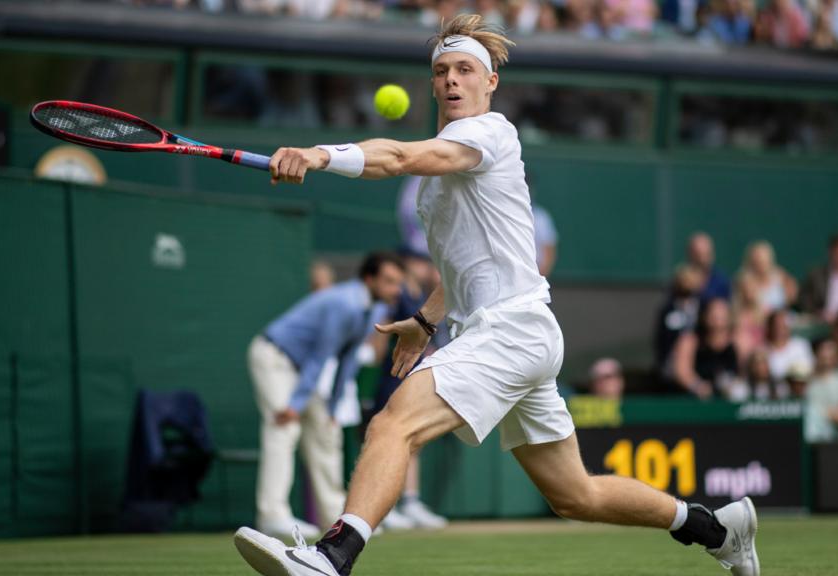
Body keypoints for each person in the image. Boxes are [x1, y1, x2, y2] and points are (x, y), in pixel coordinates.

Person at [233, 14, 759, 576]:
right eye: (442, 71)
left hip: (510, 329)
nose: (452, 80)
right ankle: (718, 530)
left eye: (465, 69)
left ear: (490, 82)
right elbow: (461, 267)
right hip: (521, 334)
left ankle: (330, 558)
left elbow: (399, 157)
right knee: (575, 494)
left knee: (392, 424)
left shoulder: (490, 133)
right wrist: (426, 322)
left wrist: (319, 154)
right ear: (433, 85)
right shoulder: (433, 189)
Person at [247, 252, 404, 541]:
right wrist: (295, 405)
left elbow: (348, 359)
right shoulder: (345, 304)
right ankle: (272, 516)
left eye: (398, 282)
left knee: (325, 432)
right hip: (274, 357)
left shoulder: (375, 309)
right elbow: (321, 355)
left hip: (300, 368)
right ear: (369, 279)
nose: (396, 289)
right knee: (284, 428)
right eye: (389, 281)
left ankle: (335, 518)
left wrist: (333, 406)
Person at [372, 248, 449, 531]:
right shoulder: (399, 295)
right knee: (388, 438)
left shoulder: (423, 297)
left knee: (412, 440)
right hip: (393, 376)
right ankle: (383, 505)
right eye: (418, 261)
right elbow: (379, 333)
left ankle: (409, 501)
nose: (424, 266)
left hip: (413, 377)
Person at [671, 298, 741, 400]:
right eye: (713, 315)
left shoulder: (737, 342)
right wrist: (697, 386)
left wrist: (735, 387)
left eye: (721, 316)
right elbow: (681, 372)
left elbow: (743, 373)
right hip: (693, 400)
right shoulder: (690, 341)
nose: (717, 321)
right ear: (704, 316)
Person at [655, 264, 705, 382]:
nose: (687, 285)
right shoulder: (668, 309)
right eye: (684, 281)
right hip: (673, 361)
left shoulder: (703, 307)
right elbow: (661, 339)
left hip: (700, 357)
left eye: (690, 281)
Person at [798, 235, 838, 323]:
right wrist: (818, 313)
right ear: (830, 252)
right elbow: (804, 299)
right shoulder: (816, 275)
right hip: (820, 322)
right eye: (837, 251)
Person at [738, 241, 797, 314]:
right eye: (758, 261)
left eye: (764, 261)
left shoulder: (781, 276)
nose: (762, 265)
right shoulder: (745, 282)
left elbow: (792, 295)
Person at [765, 310, 815, 381]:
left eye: (784, 326)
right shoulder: (763, 351)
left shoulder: (801, 345)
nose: (780, 330)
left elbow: (810, 370)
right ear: (770, 328)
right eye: (777, 326)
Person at [688, 232, 731, 302]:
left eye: (705, 254)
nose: (701, 260)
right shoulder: (679, 284)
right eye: (697, 255)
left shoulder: (721, 283)